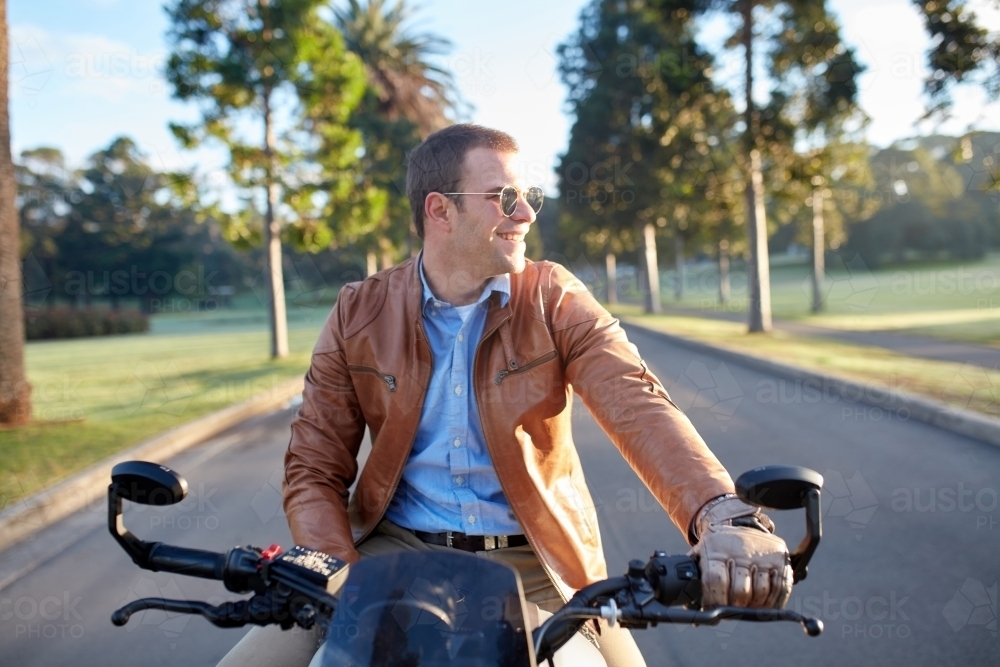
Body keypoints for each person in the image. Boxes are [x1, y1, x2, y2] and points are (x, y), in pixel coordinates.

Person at [219, 124, 792, 667]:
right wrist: (337, 581)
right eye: (505, 198)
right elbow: (313, 467)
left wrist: (720, 513)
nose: (526, 213)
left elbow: (637, 402)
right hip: (386, 555)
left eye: (529, 196)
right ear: (440, 210)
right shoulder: (358, 310)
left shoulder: (554, 297)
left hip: (539, 561)